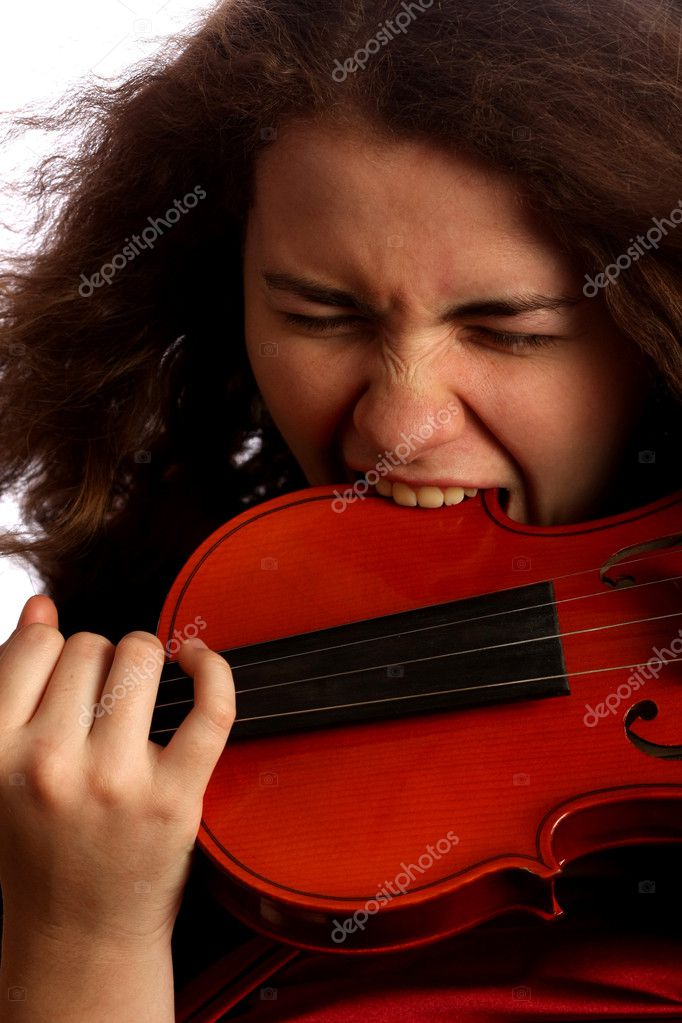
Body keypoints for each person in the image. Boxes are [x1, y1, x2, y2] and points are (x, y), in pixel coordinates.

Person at [0, 0, 680, 1019]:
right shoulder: (185, 611)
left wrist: (83, 942)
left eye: (510, 331)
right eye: (318, 315)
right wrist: (80, 921)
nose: (398, 421)